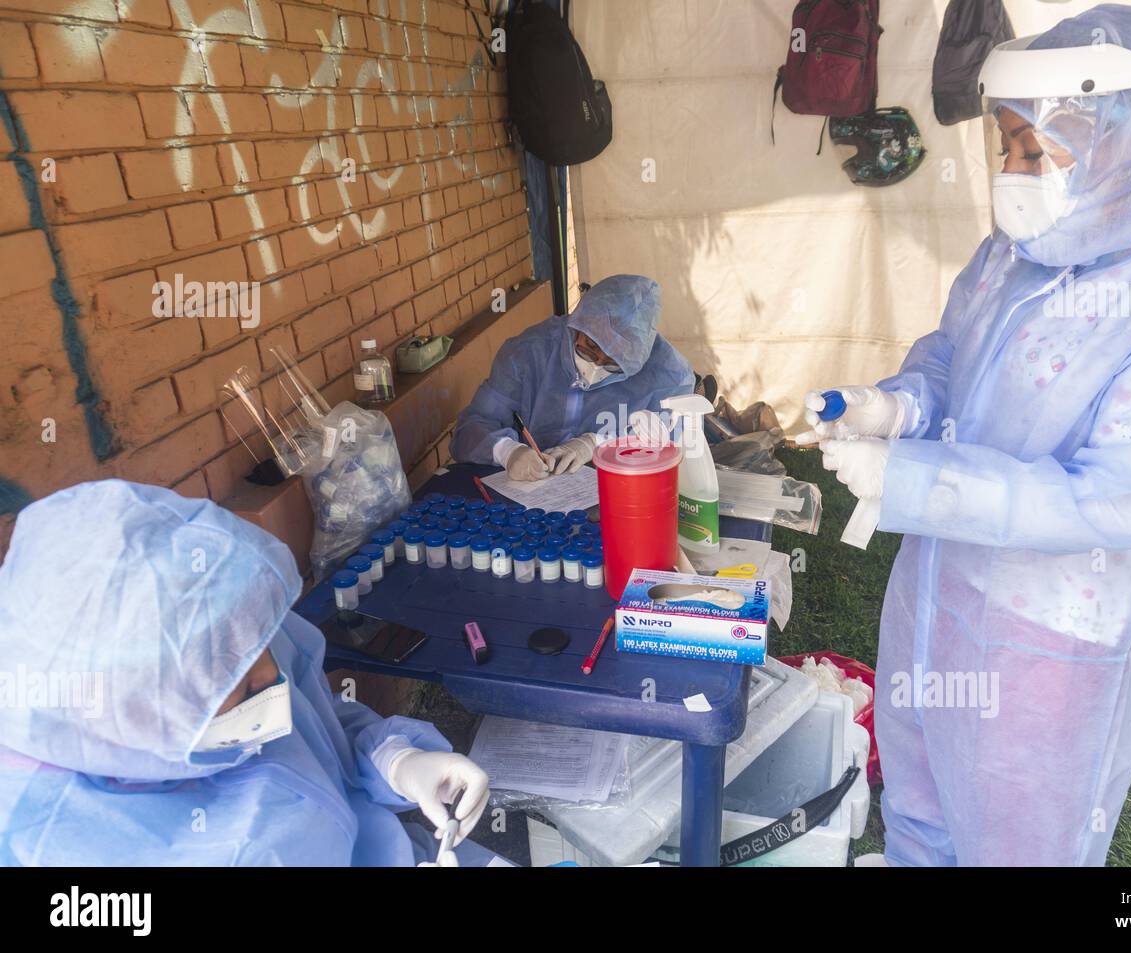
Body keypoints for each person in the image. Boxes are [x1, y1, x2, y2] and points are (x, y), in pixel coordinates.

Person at [805, 4, 1131, 865]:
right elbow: (953, 359)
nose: (1013, 174)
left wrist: (914, 484)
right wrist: (896, 408)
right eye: (1007, 149)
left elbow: (1111, 501)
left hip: (1050, 640)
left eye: (1035, 150)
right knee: (918, 814)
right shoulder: (1023, 247)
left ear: (1124, 138)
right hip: (937, 592)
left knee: (1020, 846)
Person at [0, 480, 494, 867]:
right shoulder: (46, 841)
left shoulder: (222, 634)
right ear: (132, 715)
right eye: (234, 680)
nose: (270, 671)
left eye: (259, 642)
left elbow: (319, 718)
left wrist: (397, 761)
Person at [451, 274, 695, 479]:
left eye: (612, 363)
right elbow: (471, 427)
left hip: (622, 498)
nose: (596, 364)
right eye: (589, 346)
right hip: (533, 494)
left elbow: (672, 447)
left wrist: (598, 443)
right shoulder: (528, 353)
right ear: (580, 324)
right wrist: (507, 451)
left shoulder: (669, 375)